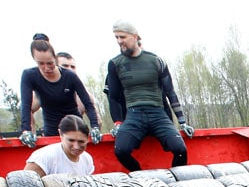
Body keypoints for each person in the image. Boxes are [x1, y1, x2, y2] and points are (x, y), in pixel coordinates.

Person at [104, 20, 194, 171]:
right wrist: (118, 123)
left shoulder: (155, 61)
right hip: (133, 114)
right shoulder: (115, 63)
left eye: (122, 37)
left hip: (158, 113)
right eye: (116, 38)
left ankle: (177, 183)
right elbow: (113, 97)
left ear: (135, 36)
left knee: (180, 150)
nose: (120, 42)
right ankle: (140, 177)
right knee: (121, 150)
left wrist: (182, 121)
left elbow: (170, 92)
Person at [19, 37, 101, 148]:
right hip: (52, 131)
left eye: (50, 63)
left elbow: (88, 103)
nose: (46, 68)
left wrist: (95, 126)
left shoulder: (70, 76)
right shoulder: (30, 75)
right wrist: (26, 130)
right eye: (41, 64)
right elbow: (26, 105)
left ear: (56, 60)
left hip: (74, 127)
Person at [31, 52, 103, 131]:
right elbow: (28, 109)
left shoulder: (85, 95)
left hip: (75, 136)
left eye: (73, 67)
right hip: (53, 135)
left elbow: (98, 122)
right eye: (65, 66)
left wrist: (92, 132)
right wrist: (33, 133)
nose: (70, 69)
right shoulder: (43, 91)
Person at [24, 114, 94, 177]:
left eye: (81, 141)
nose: (76, 146)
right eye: (71, 140)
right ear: (61, 134)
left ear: (87, 138)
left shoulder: (87, 159)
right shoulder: (43, 158)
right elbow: (25, 186)